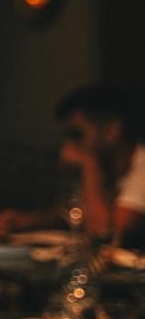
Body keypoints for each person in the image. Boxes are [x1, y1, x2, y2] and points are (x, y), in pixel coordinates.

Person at [55, 83, 145, 250]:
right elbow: (75, 214)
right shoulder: (108, 166)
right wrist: (24, 221)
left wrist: (89, 166)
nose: (69, 147)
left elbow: (104, 234)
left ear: (112, 130)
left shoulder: (142, 165)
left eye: (76, 135)